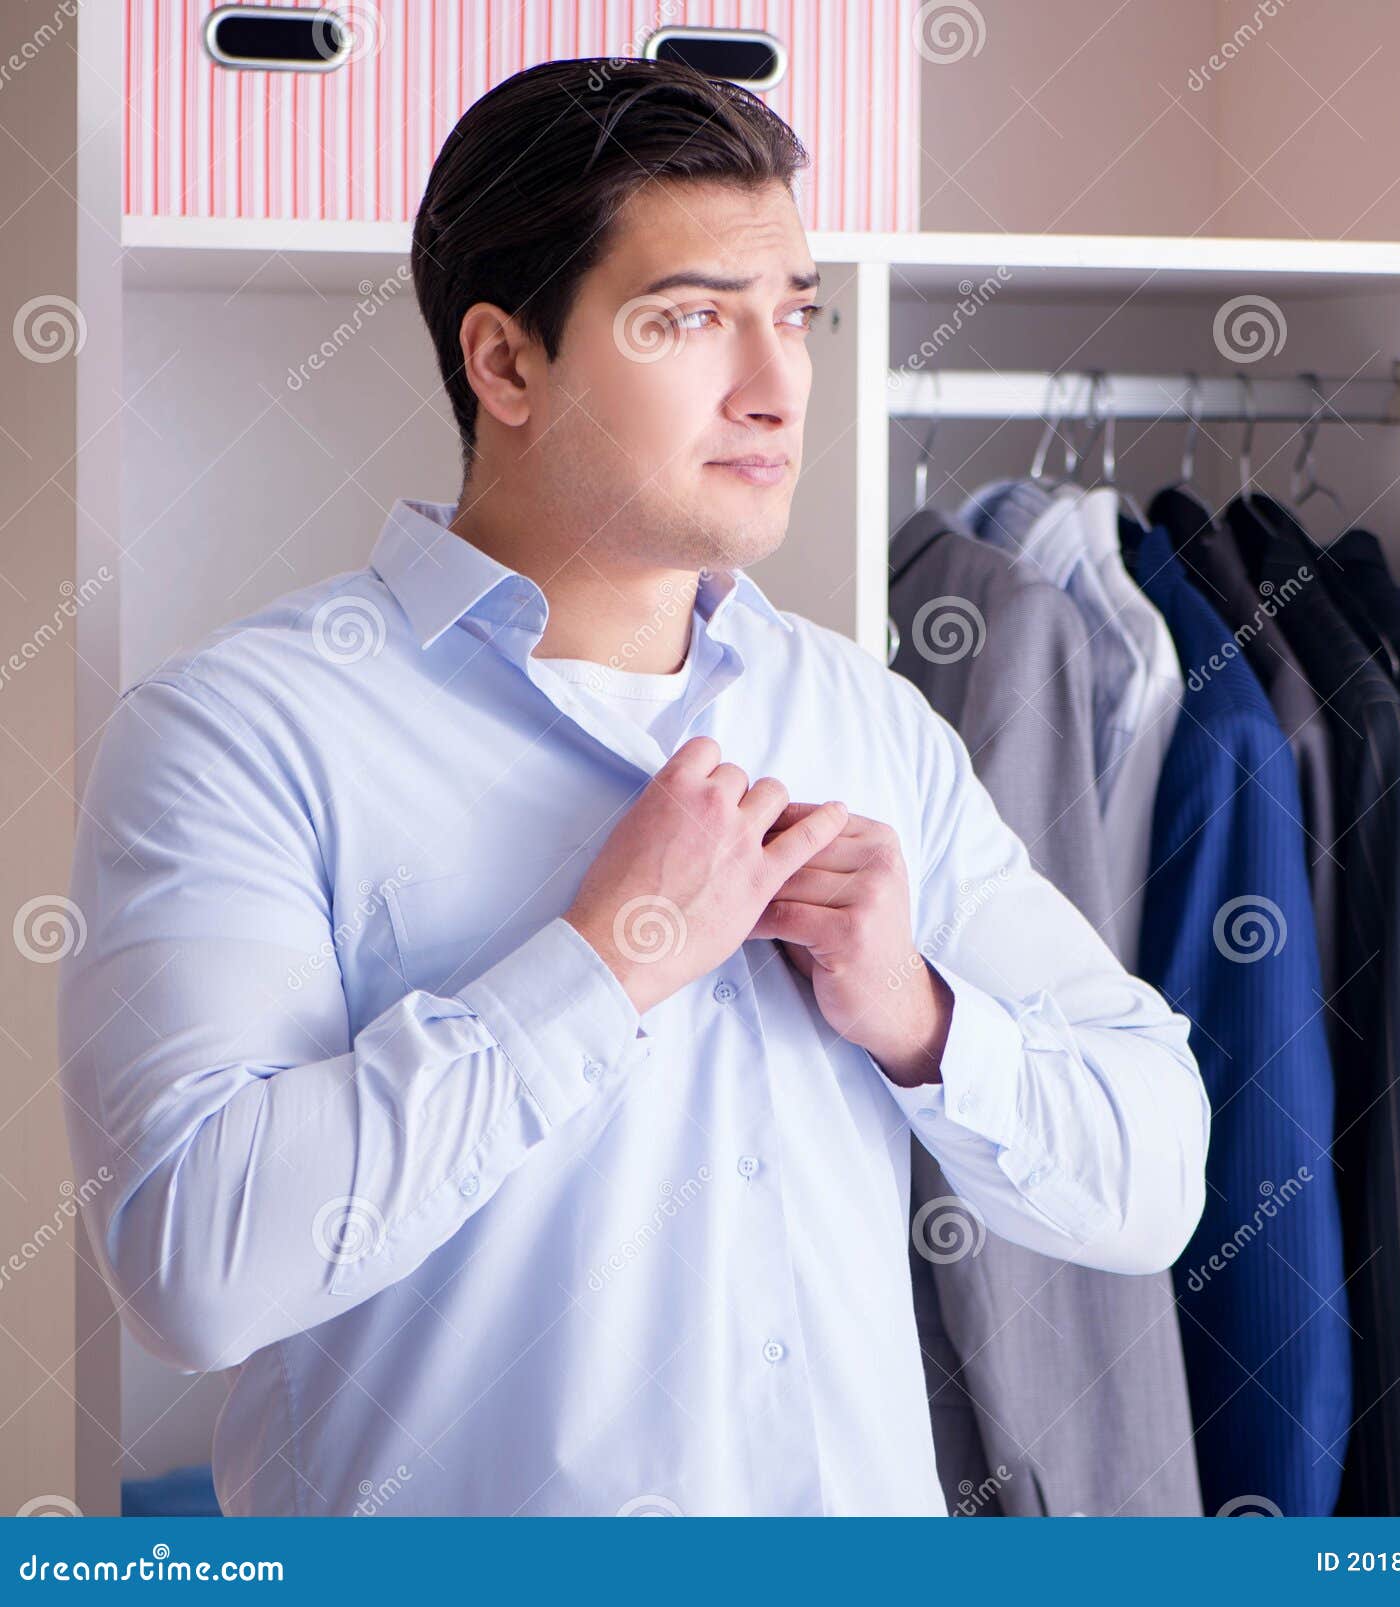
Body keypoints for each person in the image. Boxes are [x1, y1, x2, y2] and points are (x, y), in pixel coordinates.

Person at [58, 57, 1208, 1518]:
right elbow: (198, 1271)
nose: (778, 384)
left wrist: (919, 1019)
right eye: (689, 320)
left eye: (796, 312)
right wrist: (603, 967)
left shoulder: (865, 719)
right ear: (508, 364)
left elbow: (1155, 1176)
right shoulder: (243, 736)